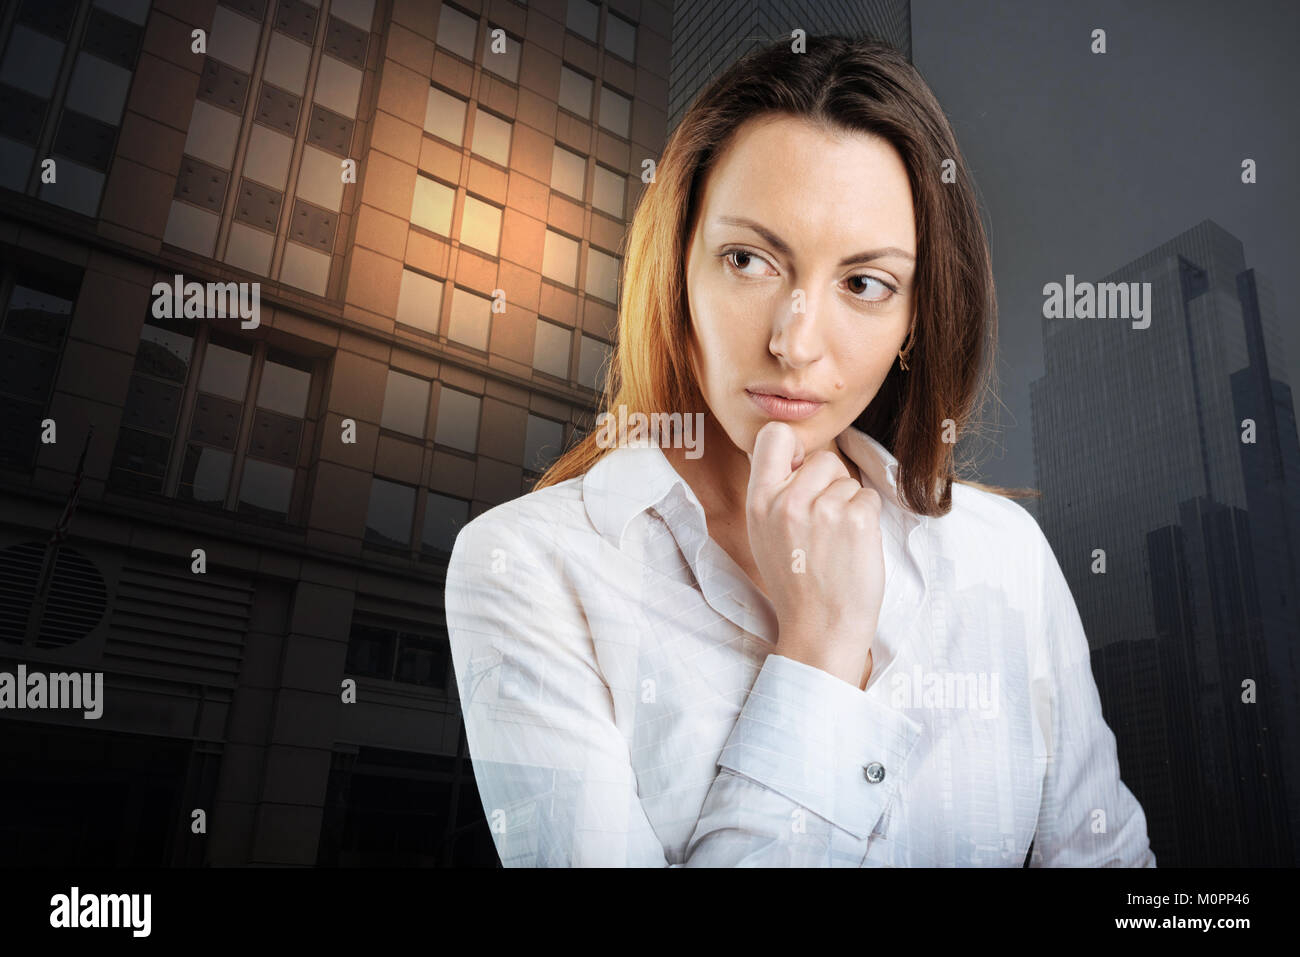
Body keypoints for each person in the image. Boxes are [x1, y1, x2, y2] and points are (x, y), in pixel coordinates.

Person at [443, 33, 1156, 867]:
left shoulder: (1003, 560)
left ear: (913, 321)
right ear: (679, 268)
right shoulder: (529, 565)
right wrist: (818, 650)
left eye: (864, 284)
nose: (795, 341)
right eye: (749, 260)